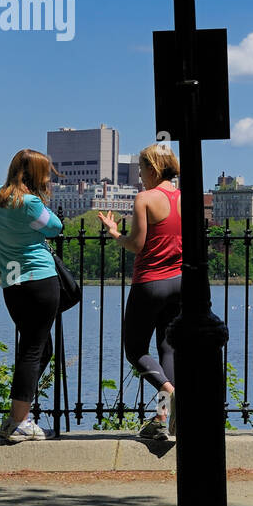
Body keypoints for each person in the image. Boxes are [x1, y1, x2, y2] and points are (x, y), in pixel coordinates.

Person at [99, 144, 182, 442]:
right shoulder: (186, 198)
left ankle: (171, 394)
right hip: (179, 282)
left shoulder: (145, 198)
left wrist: (114, 233)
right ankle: (162, 420)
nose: (139, 175)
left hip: (150, 282)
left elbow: (137, 244)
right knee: (168, 350)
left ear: (153, 169)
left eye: (141, 169)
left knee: (135, 350)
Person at [0, 149, 63, 443]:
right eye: (46, 173)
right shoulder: (31, 204)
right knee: (33, 350)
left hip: (12, 283)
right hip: (40, 280)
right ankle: (19, 421)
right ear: (35, 175)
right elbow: (56, 228)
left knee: (40, 350)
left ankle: (17, 416)